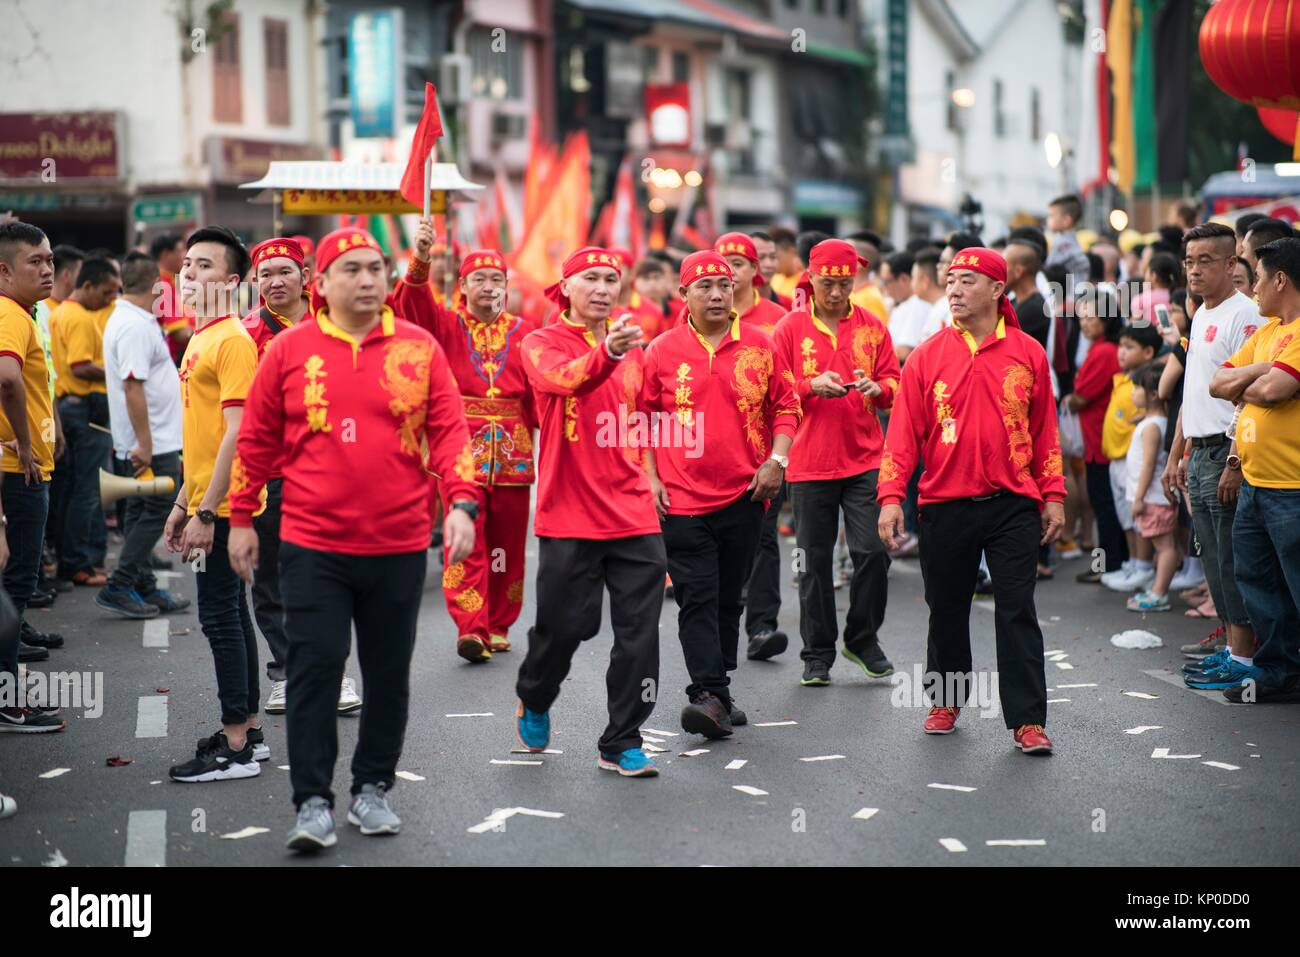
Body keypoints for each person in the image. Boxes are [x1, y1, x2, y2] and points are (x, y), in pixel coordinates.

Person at [228, 225, 481, 851]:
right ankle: (312, 801)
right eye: (353, 270)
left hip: (396, 546)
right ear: (323, 283)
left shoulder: (419, 348)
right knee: (314, 672)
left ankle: (372, 789)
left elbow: (450, 433)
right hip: (312, 544)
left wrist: (463, 505)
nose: (368, 280)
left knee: (388, 675)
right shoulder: (290, 352)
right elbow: (256, 439)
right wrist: (238, 518)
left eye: (376, 268)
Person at [878, 246, 1065, 753]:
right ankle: (947, 699)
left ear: (998, 290)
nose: (955, 290)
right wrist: (892, 496)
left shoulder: (1028, 352)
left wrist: (1054, 494)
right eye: (951, 280)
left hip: (1013, 504)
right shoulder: (926, 356)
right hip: (944, 503)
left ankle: (1027, 721)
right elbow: (902, 435)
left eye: (967, 281)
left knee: (1016, 609)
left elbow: (1045, 432)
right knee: (947, 608)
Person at [513, 246, 665, 778]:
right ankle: (535, 694)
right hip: (569, 512)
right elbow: (567, 380)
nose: (603, 289)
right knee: (565, 627)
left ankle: (622, 739)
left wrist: (656, 471)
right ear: (567, 287)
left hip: (632, 512)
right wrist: (609, 353)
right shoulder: (539, 343)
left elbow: (644, 418)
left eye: (611, 280)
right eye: (592, 279)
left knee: (640, 635)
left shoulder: (637, 351)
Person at [643, 250, 799, 737]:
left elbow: (787, 406)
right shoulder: (661, 351)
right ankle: (706, 694)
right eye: (704, 287)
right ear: (683, 294)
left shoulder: (761, 344)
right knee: (697, 596)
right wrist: (649, 477)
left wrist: (777, 462)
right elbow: (644, 421)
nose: (716, 294)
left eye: (724, 286)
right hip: (682, 500)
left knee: (730, 597)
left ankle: (720, 689)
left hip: (746, 494)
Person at [394, 223, 538, 664]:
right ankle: (471, 626)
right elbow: (412, 305)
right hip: (460, 446)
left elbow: (537, 395)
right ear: (463, 285)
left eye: (497, 278)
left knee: (505, 546)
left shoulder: (527, 331)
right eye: (479, 278)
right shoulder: (447, 324)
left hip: (513, 450)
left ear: (506, 286)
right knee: (466, 538)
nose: (489, 286)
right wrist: (420, 260)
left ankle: (498, 624)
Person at [162, 226, 265, 784]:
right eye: (186, 265)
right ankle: (248, 729)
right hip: (208, 499)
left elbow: (237, 434)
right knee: (232, 615)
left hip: (227, 506)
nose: (189, 275)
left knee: (220, 618)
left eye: (203, 266)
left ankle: (235, 748)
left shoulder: (230, 340)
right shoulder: (201, 336)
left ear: (230, 282)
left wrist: (206, 512)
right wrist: (184, 499)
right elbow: (201, 437)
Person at [772, 239, 900, 687]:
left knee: (872, 551)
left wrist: (877, 388)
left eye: (844, 284)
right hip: (808, 461)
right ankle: (817, 652)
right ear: (811, 278)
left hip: (865, 456)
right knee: (812, 560)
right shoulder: (789, 328)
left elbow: (895, 384)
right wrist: (810, 386)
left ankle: (862, 639)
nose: (835, 293)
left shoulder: (872, 326)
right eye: (828, 283)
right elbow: (773, 389)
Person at [1199, 237, 1300, 698]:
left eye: (1257, 277)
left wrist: (1254, 378)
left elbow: (1274, 391)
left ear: (1280, 278)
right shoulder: (1268, 331)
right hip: (1257, 483)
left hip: (1291, 489)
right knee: (1258, 584)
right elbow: (1219, 382)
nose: (1253, 287)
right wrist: (1258, 374)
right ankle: (1278, 671)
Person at [1161, 223, 1259, 665]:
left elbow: (1251, 397)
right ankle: (1230, 647)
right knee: (1213, 559)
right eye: (1188, 262)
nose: (1194, 271)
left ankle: (1245, 655)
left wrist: (1235, 460)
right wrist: (1178, 452)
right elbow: (1192, 391)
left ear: (1230, 263)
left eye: (1205, 261)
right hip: (1198, 452)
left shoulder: (1246, 314)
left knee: (1234, 559)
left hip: (1226, 451)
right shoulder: (1200, 313)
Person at [97, 252, 189, 619]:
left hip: (151, 437)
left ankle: (144, 584)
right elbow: (133, 387)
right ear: (156, 283)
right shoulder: (133, 324)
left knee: (138, 512)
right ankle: (119, 585)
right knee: (156, 509)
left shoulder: (135, 318)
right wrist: (146, 444)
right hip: (153, 440)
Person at [0, 221, 65, 731]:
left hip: (20, 466)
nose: (47, 269)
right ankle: (7, 700)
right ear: (4, 271)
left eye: (48, 260)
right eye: (35, 262)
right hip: (15, 474)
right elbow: (6, 377)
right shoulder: (9, 314)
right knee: (14, 587)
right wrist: (24, 441)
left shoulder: (22, 312)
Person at [49, 257, 120, 587]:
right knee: (88, 490)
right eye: (105, 292)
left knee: (75, 488)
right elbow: (80, 366)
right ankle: (77, 563)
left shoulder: (64, 310)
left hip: (71, 407)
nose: (108, 299)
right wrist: (119, 374)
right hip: (85, 408)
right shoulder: (78, 317)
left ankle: (73, 559)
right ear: (87, 285)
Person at [1064, 289, 1123, 582]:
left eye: (1091, 317)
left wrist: (1070, 400)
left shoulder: (1103, 351)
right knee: (1105, 504)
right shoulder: (1104, 347)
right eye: (1082, 317)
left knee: (1104, 505)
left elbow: (1082, 396)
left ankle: (1107, 565)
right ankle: (1112, 563)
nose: (1085, 323)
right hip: (1098, 437)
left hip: (1100, 438)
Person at [1099, 323, 1161, 593]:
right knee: (1126, 515)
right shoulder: (1123, 378)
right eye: (1121, 346)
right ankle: (1134, 562)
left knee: (1139, 514)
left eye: (1129, 347)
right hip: (1116, 460)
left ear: (1148, 352)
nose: (1121, 352)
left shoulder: (1147, 381)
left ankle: (1144, 566)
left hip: (1131, 460)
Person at [1123, 362, 1177, 612]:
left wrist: (1138, 497)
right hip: (1155, 497)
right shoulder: (1154, 422)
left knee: (1165, 547)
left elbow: (1148, 466)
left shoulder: (1153, 428)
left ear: (1153, 394)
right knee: (1162, 545)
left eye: (1137, 388)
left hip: (1154, 497)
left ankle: (1159, 594)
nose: (1133, 392)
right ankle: (1158, 588)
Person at [714, 232, 787, 334]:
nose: (730, 271)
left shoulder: (779, 315)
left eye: (737, 264)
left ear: (754, 268)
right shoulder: (707, 314)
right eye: (723, 265)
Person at [149, 233, 191, 364]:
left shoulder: (171, 280)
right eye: (180, 251)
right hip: (171, 360)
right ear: (165, 254)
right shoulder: (161, 283)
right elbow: (179, 334)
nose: (184, 256)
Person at [884, 250, 930, 364]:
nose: (885, 288)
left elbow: (905, 351)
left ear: (903, 279)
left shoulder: (917, 305)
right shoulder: (901, 305)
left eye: (887, 282)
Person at [1045, 194, 1090, 287]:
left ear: (1066, 220)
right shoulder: (1072, 240)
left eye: (1051, 216)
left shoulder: (1062, 243)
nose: (1048, 220)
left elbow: (1049, 268)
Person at [846, 230, 889, 320]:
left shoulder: (871, 298)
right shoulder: (852, 294)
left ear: (859, 263)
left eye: (846, 255)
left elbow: (876, 332)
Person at [750, 230, 788, 307]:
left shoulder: (789, 306)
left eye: (773, 257)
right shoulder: (733, 306)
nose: (769, 264)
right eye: (761, 257)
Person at [768, 227, 802, 304]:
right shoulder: (774, 280)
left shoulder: (805, 282)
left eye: (776, 257)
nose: (773, 263)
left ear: (791, 252)